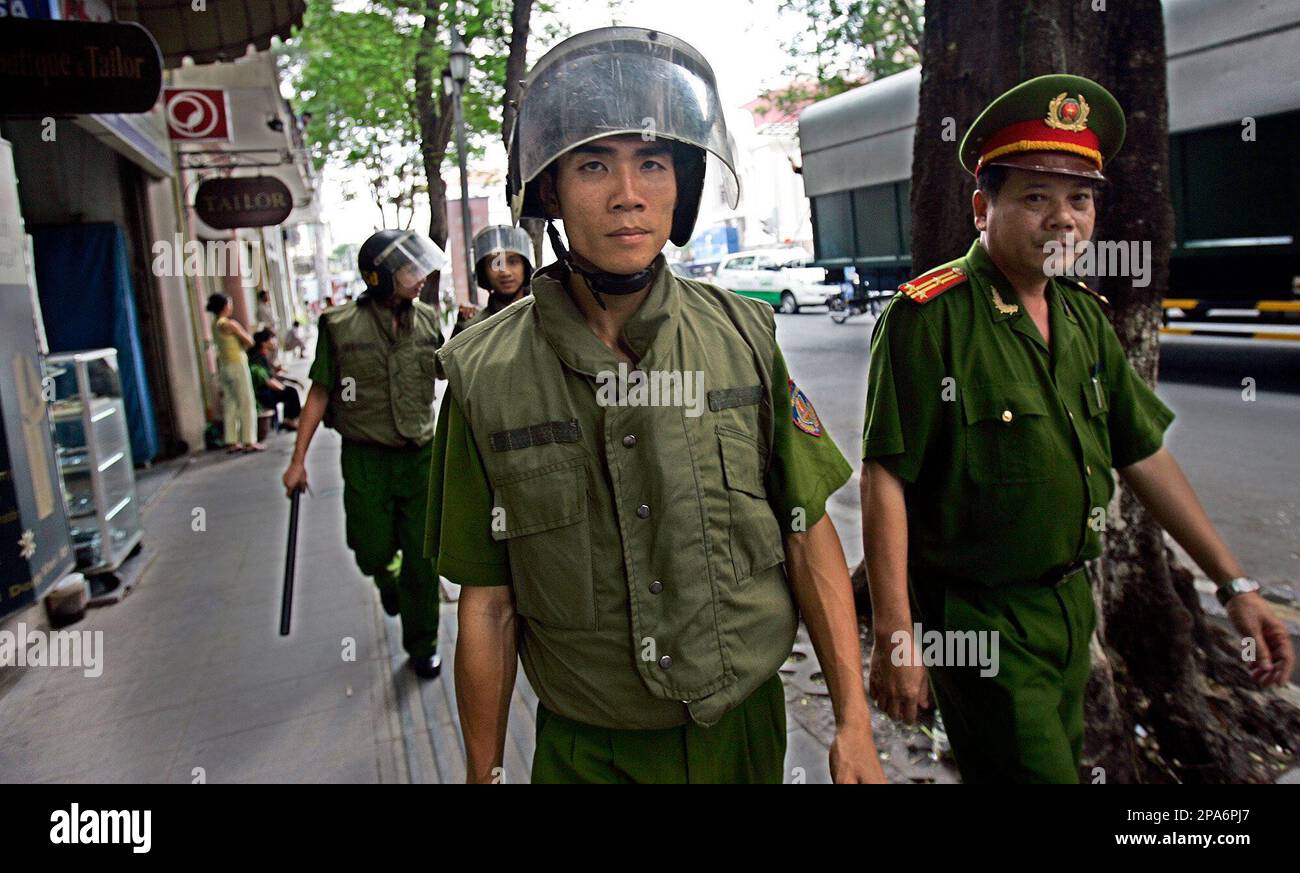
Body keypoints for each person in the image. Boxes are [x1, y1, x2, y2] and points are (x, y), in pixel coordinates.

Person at [425, 27, 885, 784]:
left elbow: (807, 533)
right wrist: (482, 773)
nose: (627, 194)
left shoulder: (742, 337)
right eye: (593, 164)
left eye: (653, 163)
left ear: (684, 186)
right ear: (549, 188)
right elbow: (488, 603)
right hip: (589, 752)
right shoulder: (484, 375)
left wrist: (853, 720)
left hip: (743, 735)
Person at [860, 74, 1295, 784]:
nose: (1065, 220)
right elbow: (886, 478)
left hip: (1069, 605)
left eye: (1081, 199)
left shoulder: (1084, 317)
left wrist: (1234, 584)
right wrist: (896, 635)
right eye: (1036, 197)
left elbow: (1144, 454)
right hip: (983, 620)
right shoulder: (928, 317)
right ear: (982, 207)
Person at [281, 230, 448, 679]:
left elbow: (449, 372)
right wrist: (297, 462)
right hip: (366, 459)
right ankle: (384, 577)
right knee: (371, 551)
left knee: (424, 561)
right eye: (411, 270)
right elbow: (319, 392)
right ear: (381, 277)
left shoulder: (431, 320)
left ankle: (423, 644)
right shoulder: (338, 325)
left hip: (421, 457)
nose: (420, 278)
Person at [450, 225, 535, 338]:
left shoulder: (544, 318)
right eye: (495, 264)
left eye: (513, 262)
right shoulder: (472, 330)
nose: (505, 272)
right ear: (483, 272)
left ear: (525, 267)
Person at [206, 293, 264, 453]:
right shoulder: (230, 324)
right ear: (225, 306)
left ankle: (231, 440)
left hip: (224, 366)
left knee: (230, 403)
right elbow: (249, 341)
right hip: (237, 364)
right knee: (246, 401)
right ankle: (249, 440)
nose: (231, 306)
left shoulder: (215, 324)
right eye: (229, 304)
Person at [249, 329, 301, 430]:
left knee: (288, 391)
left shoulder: (261, 356)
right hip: (262, 391)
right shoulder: (258, 357)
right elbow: (267, 380)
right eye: (272, 339)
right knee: (290, 392)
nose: (275, 342)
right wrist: (282, 387)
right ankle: (290, 420)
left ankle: (289, 419)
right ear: (264, 343)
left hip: (264, 390)